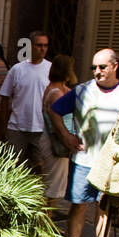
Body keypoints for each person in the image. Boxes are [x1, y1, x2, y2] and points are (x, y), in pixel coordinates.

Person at [48, 49, 119, 237]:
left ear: (115, 66)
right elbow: (54, 110)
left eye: (102, 67)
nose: (97, 71)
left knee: (104, 209)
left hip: (112, 162)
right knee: (79, 206)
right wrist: (66, 136)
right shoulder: (82, 91)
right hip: (84, 161)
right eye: (93, 67)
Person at [0, 30, 53, 179]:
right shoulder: (17, 69)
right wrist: (4, 126)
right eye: (39, 45)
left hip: (41, 128)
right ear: (30, 46)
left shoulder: (51, 69)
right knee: (12, 167)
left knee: (40, 169)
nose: (42, 49)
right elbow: (4, 98)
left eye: (45, 45)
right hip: (17, 128)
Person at [40, 53, 78, 210]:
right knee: (50, 189)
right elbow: (59, 122)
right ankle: (44, 225)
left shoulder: (60, 90)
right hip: (55, 141)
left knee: (53, 187)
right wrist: (68, 140)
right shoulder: (56, 93)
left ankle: (46, 223)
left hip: (55, 140)